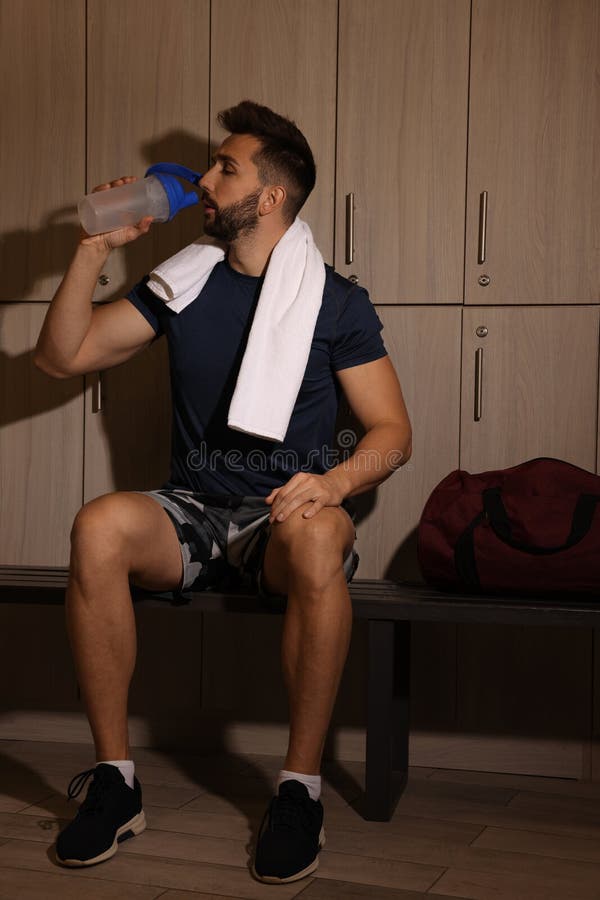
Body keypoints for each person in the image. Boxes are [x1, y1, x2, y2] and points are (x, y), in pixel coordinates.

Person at [34, 100, 412, 883]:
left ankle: (299, 793)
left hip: (286, 516)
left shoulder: (336, 301)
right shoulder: (183, 283)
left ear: (270, 197)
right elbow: (61, 356)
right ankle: (114, 784)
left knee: (316, 533)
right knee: (98, 526)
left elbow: (391, 434)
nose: (204, 180)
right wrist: (92, 249)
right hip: (196, 511)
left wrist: (333, 483)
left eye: (225, 168)